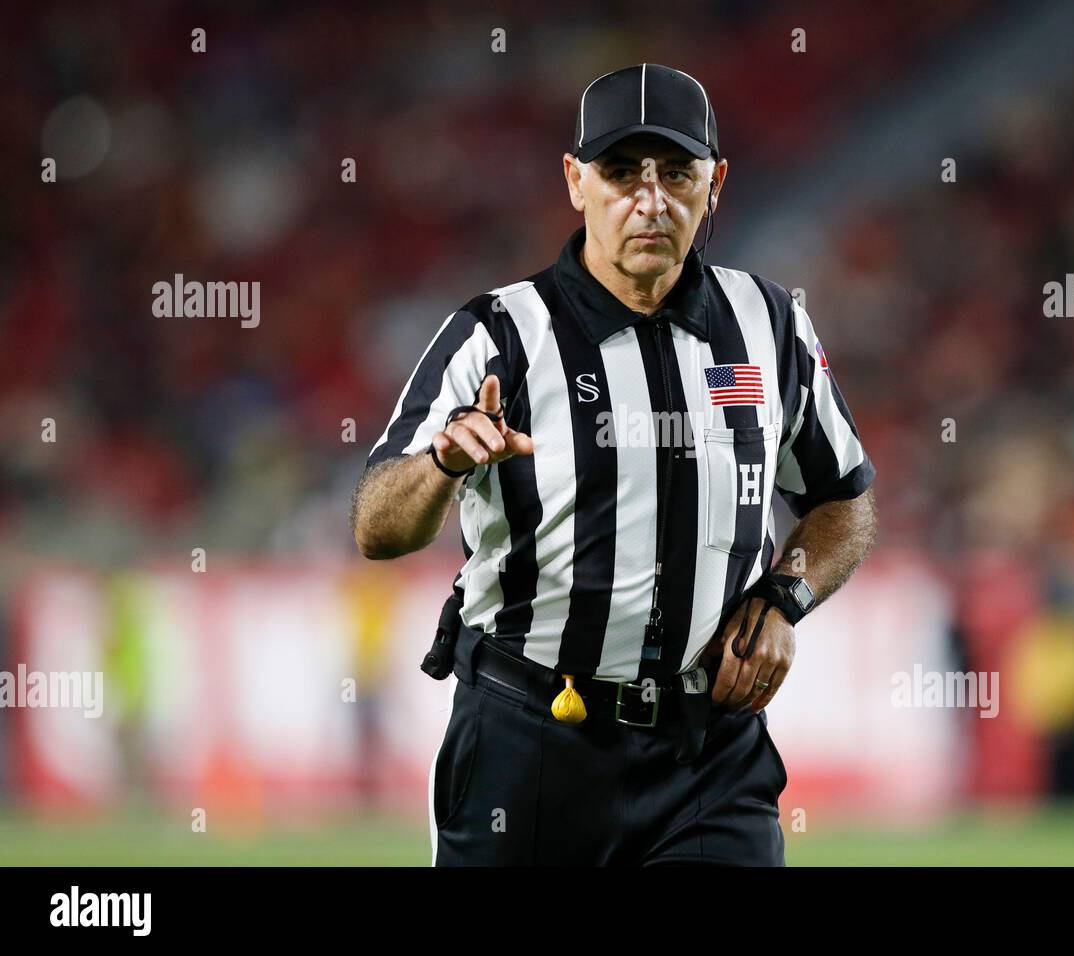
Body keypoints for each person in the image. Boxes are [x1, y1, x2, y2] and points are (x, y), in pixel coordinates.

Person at [350, 63, 878, 865]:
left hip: (709, 752)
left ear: (716, 183)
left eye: (676, 172)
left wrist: (782, 597)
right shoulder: (497, 333)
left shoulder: (769, 325)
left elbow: (844, 498)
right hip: (529, 742)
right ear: (575, 181)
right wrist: (443, 464)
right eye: (621, 171)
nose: (650, 199)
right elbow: (376, 528)